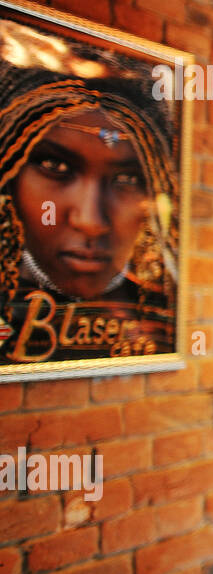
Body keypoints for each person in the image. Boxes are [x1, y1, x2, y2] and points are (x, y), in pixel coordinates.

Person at [0, 65, 177, 362]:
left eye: (127, 180)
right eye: (55, 166)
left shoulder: (160, 321)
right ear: (9, 178)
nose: (91, 221)